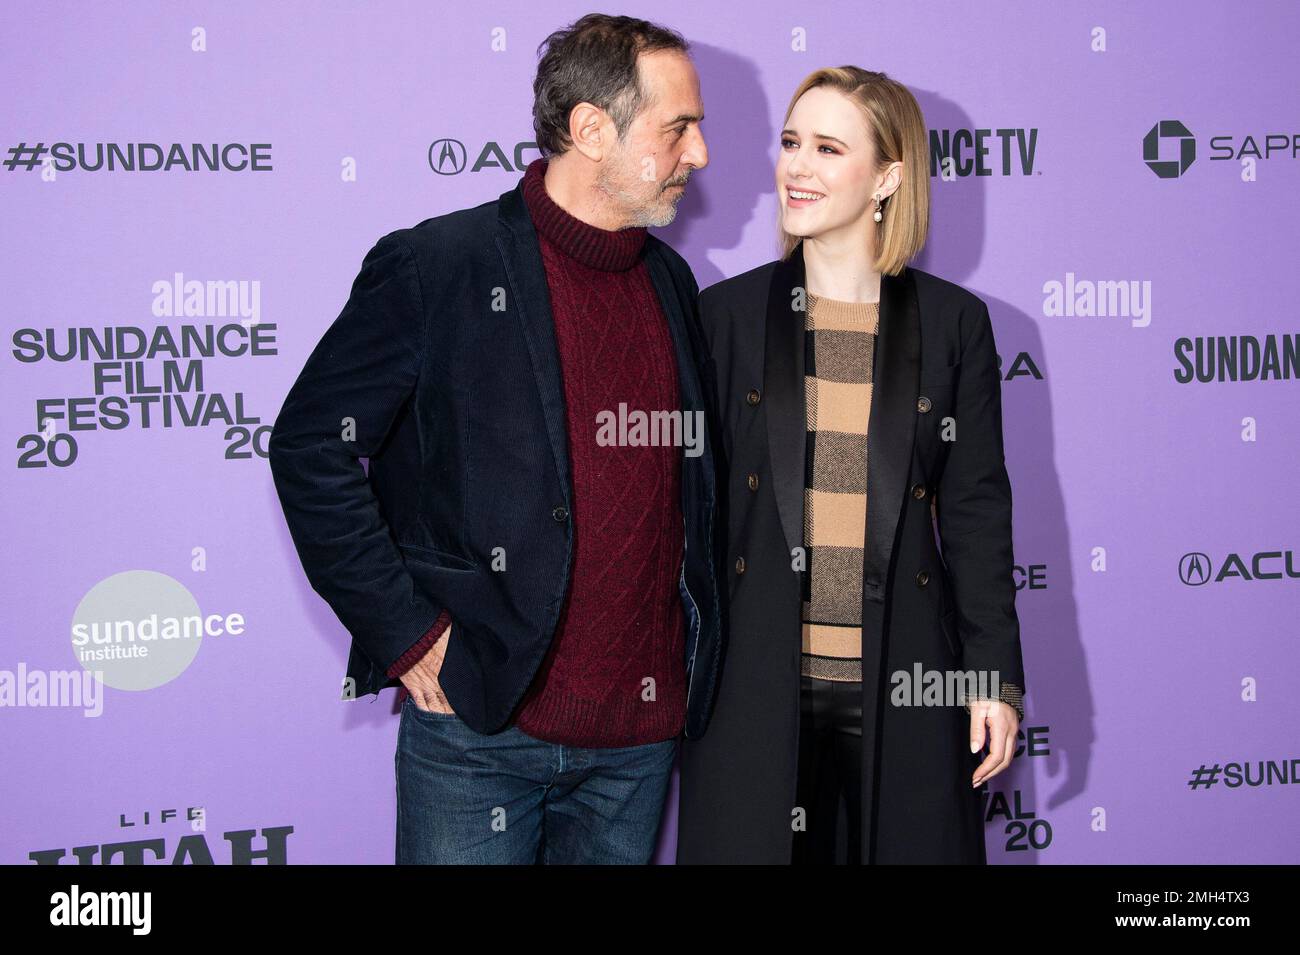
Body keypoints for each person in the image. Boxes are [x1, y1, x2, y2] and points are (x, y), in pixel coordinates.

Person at [268, 13, 719, 864]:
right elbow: (310, 447)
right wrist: (406, 631)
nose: (699, 154)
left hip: (639, 743)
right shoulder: (438, 265)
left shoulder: (671, 281)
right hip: (479, 732)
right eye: (679, 128)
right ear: (591, 129)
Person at [676, 66, 1026, 864]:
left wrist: (995, 677)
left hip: (904, 685)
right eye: (791, 142)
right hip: (753, 691)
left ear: (889, 176)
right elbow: (684, 515)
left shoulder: (954, 325)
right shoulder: (723, 316)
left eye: (829, 148)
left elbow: (975, 516)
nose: (797, 167)